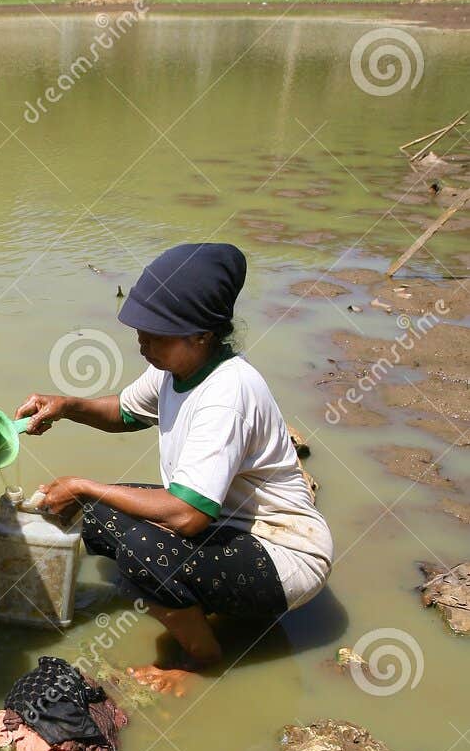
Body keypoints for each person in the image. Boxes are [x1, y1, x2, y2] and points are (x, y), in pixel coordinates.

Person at [16, 241, 333, 694]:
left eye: (155, 334)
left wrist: (83, 485)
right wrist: (66, 405)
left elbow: (188, 515)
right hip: (231, 528)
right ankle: (199, 604)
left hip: (285, 556)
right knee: (100, 515)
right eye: (142, 330)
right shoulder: (176, 369)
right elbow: (124, 413)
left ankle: (201, 659)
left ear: (201, 334)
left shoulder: (227, 394)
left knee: (143, 546)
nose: (142, 342)